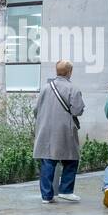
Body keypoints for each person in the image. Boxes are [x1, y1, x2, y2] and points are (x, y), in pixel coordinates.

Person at [33, 60, 85, 203]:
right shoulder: (73, 88)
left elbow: (36, 110)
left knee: (48, 161)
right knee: (71, 160)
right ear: (69, 72)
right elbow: (77, 110)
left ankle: (46, 196)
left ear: (57, 71)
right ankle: (66, 191)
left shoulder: (45, 88)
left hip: (45, 129)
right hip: (64, 130)